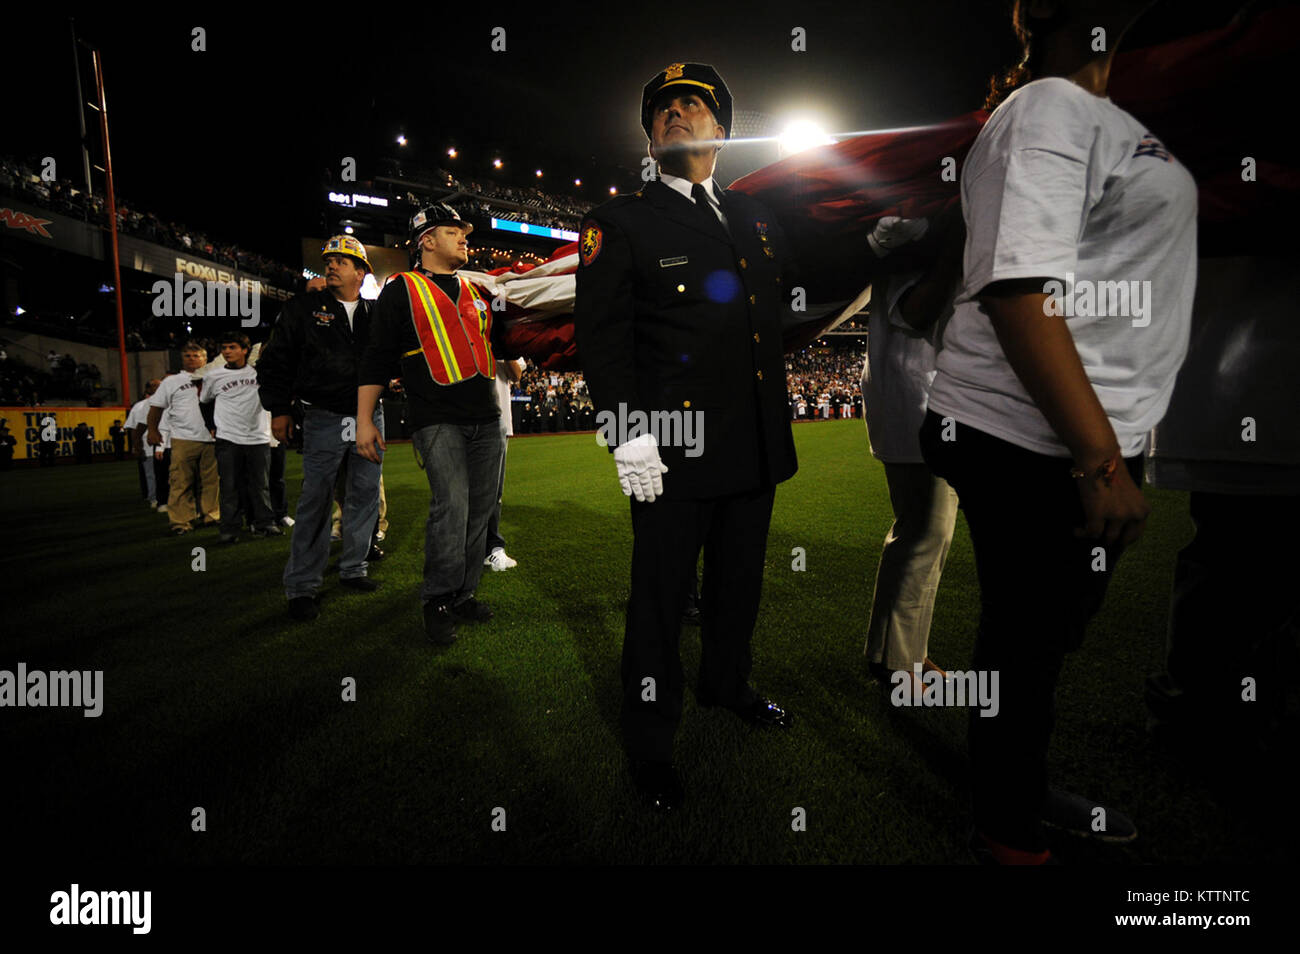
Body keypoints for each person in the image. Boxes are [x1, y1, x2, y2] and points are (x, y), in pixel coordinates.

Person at [918, 0, 1197, 864]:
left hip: (1083, 432)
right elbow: (1016, 289)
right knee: (1026, 643)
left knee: (1043, 637)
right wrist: (1096, 456)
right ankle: (1008, 828)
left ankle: (1016, 789)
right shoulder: (1045, 105)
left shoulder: (1115, 118)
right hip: (1026, 433)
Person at [573, 63, 800, 812]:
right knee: (661, 600)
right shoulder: (622, 220)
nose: (676, 113)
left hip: (754, 444)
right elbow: (602, 343)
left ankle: (726, 683)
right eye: (663, 108)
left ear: (722, 130)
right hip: (668, 452)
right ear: (649, 136)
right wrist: (627, 434)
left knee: (740, 586)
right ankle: (650, 739)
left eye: (693, 104)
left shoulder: (754, 218)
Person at [356, 204, 507, 645]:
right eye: (452, 231)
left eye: (463, 231)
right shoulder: (401, 288)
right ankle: (438, 599)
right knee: (452, 506)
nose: (463, 237)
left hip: (486, 415)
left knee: (481, 510)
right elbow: (377, 357)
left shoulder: (477, 289)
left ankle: (464, 593)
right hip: (436, 417)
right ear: (426, 239)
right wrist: (365, 419)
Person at [861, 215, 963, 689]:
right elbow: (915, 312)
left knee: (919, 532)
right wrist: (956, 240)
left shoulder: (918, 228)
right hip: (915, 399)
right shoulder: (913, 232)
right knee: (926, 532)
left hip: (919, 397)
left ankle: (890, 655)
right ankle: (904, 664)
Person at [257, 235, 382, 620]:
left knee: (364, 496)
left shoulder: (376, 313)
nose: (331, 266)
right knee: (316, 499)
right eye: (329, 261)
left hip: (369, 416)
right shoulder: (303, 307)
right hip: (324, 415)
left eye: (342, 261)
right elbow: (275, 359)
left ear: (361, 272)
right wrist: (279, 408)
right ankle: (302, 586)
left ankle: (353, 568)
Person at [200, 332, 281, 544]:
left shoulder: (259, 374)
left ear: (245, 350)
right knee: (229, 485)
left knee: (260, 484)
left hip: (258, 436)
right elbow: (204, 401)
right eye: (224, 348)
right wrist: (211, 426)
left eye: (232, 347)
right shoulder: (213, 376)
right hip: (228, 437)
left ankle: (265, 523)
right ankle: (230, 529)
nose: (227, 351)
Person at [147, 342, 219, 534]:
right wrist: (153, 430)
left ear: (205, 359)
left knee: (212, 481)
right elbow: (156, 408)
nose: (192, 359)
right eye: (188, 356)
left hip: (213, 437)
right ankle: (181, 521)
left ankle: (212, 515)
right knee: (180, 481)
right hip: (183, 437)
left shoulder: (215, 376)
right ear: (182, 358)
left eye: (197, 356)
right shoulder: (171, 381)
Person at [485, 357, 524, 571]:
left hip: (498, 418)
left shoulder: (503, 332)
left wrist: (503, 350)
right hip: (462, 417)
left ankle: (492, 547)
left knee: (493, 493)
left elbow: (516, 374)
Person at [125, 381, 161, 506]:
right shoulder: (140, 406)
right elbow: (134, 428)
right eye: (156, 385)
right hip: (148, 445)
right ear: (148, 390)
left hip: (164, 444)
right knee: (151, 474)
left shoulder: (166, 401)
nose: (160, 387)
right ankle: (153, 498)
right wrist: (137, 447)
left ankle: (158, 497)